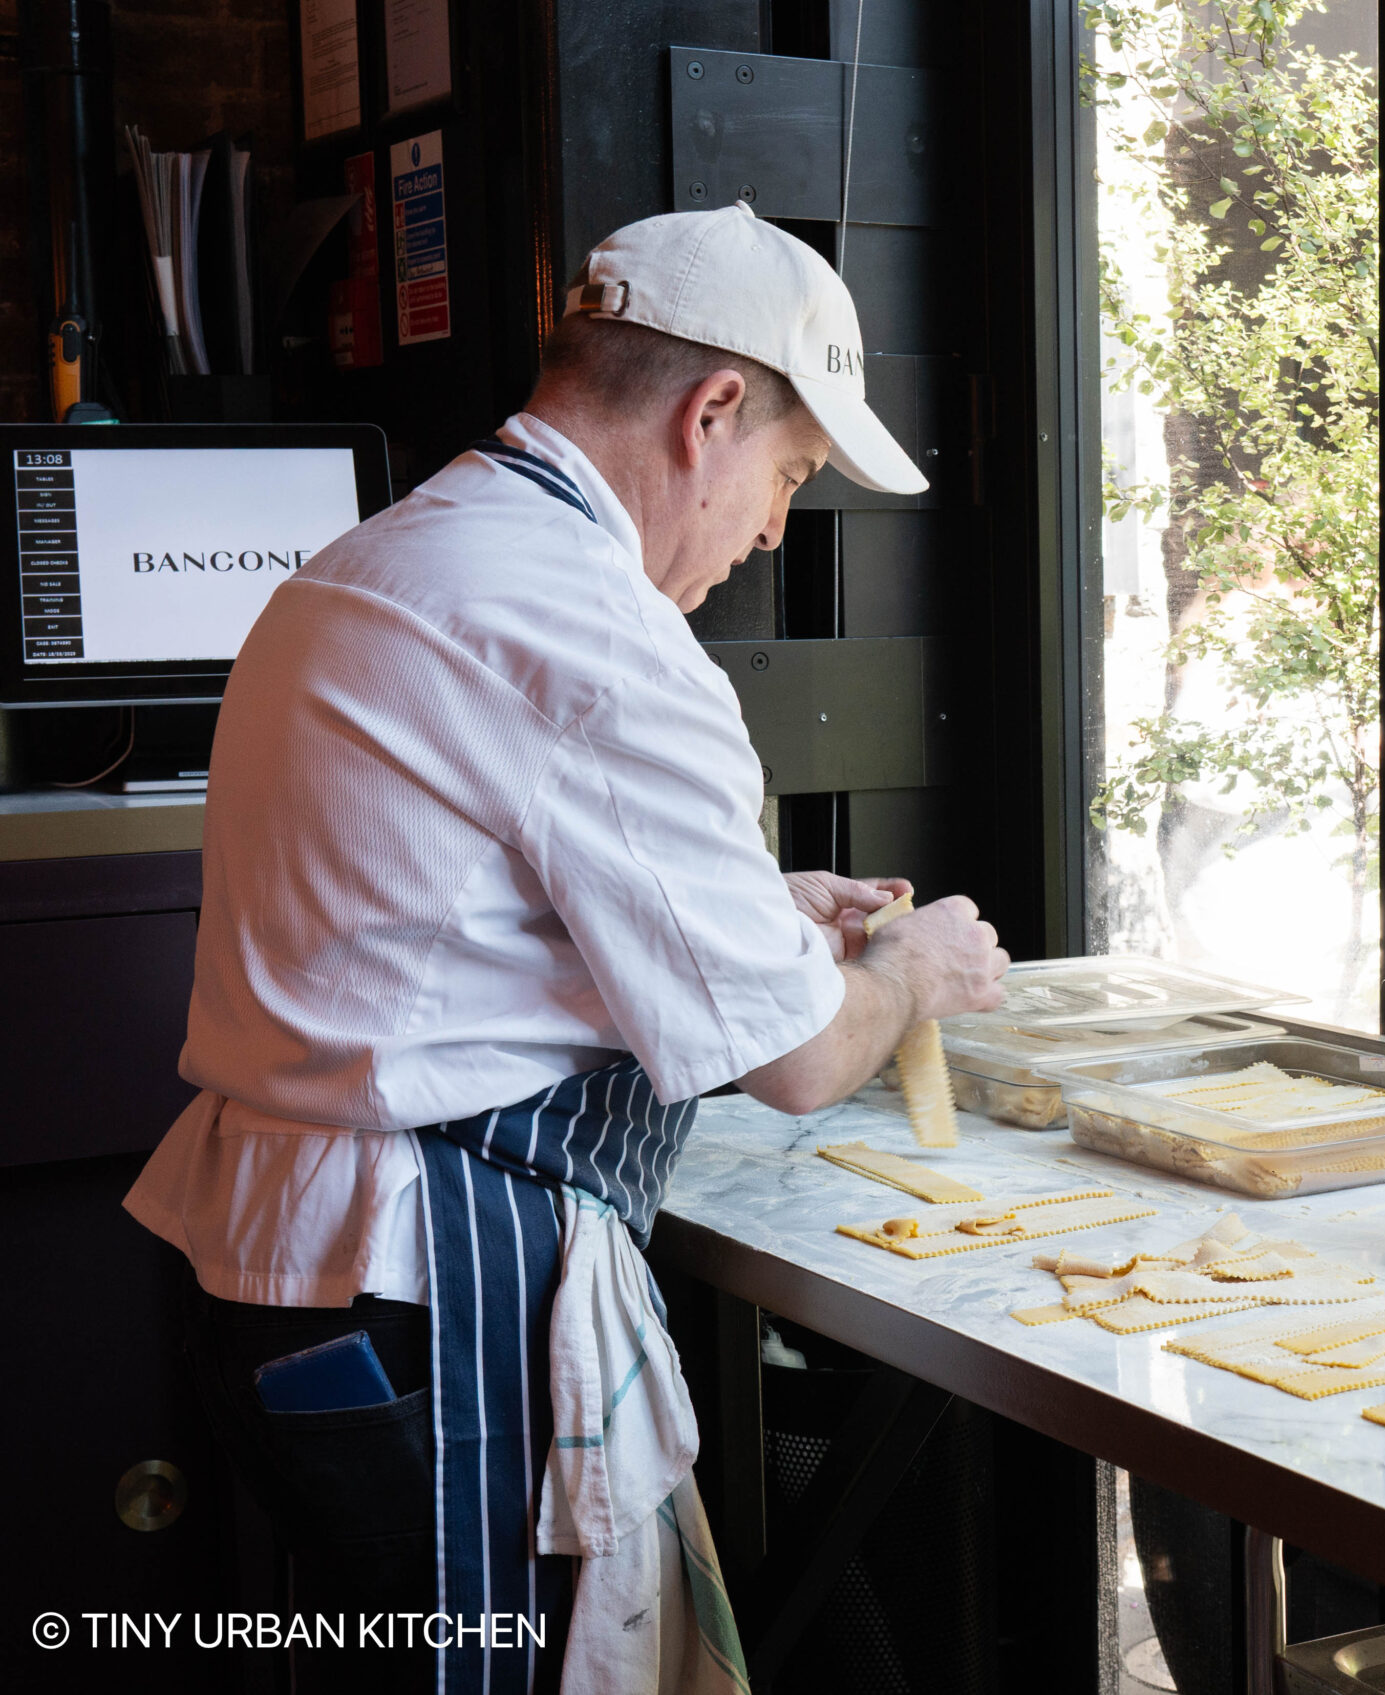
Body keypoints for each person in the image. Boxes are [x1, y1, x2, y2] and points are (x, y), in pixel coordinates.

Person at [123, 203, 1009, 1695]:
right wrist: (915, 971)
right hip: (429, 1305)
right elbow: (799, 1062)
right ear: (712, 410)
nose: (775, 529)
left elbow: (434, 913)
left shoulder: (379, 562)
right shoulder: (595, 630)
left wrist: (753, 910)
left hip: (273, 1276)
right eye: (788, 474)